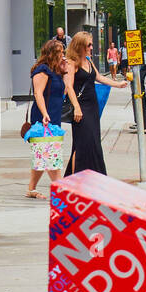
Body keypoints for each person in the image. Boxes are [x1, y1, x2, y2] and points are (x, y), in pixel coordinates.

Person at [64, 31, 128, 176]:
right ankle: (74, 179)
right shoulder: (71, 63)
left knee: (93, 142)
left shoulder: (88, 60)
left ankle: (93, 176)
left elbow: (98, 77)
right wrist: (77, 108)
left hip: (92, 107)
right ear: (80, 45)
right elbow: (69, 86)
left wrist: (117, 84)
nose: (92, 47)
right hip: (80, 108)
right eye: (89, 45)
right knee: (81, 144)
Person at [25, 40, 69, 200]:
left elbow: (62, 93)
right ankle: (62, 189)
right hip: (43, 118)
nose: (63, 56)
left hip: (53, 117)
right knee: (50, 154)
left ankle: (31, 189)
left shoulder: (56, 71)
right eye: (60, 53)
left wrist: (64, 71)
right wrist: (44, 113)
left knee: (43, 154)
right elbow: (38, 93)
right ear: (52, 54)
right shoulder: (42, 71)